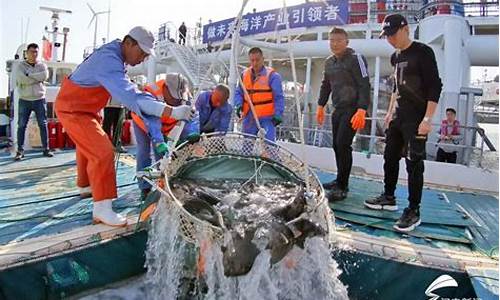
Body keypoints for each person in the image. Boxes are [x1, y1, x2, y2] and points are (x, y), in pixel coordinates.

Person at [54, 26, 193, 227]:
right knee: (102, 152)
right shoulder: (109, 61)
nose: (144, 58)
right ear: (128, 43)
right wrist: (171, 111)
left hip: (84, 108)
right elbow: (132, 96)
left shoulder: (114, 55)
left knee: (87, 147)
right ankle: (102, 208)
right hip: (73, 110)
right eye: (143, 53)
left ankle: (85, 186)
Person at [364, 14, 442, 232]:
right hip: (398, 117)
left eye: (392, 34)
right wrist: (389, 113)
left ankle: (413, 210)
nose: (389, 39)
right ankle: (389, 197)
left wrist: (428, 118)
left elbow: (435, 87)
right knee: (389, 157)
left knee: (414, 164)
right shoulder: (395, 57)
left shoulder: (423, 52)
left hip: (417, 119)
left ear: (405, 29)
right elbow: (396, 88)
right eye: (386, 36)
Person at [316, 27, 371, 202]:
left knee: (343, 144)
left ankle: (343, 187)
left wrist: (362, 109)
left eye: (339, 40)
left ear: (347, 42)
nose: (335, 43)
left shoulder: (356, 59)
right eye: (332, 40)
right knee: (336, 145)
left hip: (353, 109)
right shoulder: (329, 62)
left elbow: (364, 84)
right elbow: (326, 85)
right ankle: (339, 180)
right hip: (338, 109)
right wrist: (320, 105)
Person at [132, 73, 199, 199]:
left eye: (179, 98)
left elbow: (192, 115)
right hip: (143, 122)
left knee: (164, 157)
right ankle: (145, 188)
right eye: (174, 97)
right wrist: (158, 141)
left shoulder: (184, 94)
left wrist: (191, 133)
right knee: (144, 152)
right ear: (166, 88)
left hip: (164, 125)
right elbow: (152, 121)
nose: (176, 101)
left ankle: (164, 183)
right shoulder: (151, 93)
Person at [233, 47, 284, 142]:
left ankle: (271, 156)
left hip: (267, 117)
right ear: (249, 60)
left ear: (263, 59)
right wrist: (239, 105)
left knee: (269, 144)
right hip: (249, 116)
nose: (255, 63)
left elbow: (278, 97)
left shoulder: (273, 76)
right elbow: (239, 92)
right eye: (252, 60)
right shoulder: (244, 75)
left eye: (257, 60)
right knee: (247, 144)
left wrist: (278, 114)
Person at [15, 43, 53, 160]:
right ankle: (20, 151)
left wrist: (29, 75)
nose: (34, 54)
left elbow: (44, 76)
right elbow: (22, 79)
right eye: (32, 51)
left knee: (43, 124)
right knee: (21, 126)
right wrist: (36, 78)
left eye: (36, 52)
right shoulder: (20, 66)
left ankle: (46, 149)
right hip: (25, 100)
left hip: (39, 99)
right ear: (27, 53)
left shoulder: (42, 65)